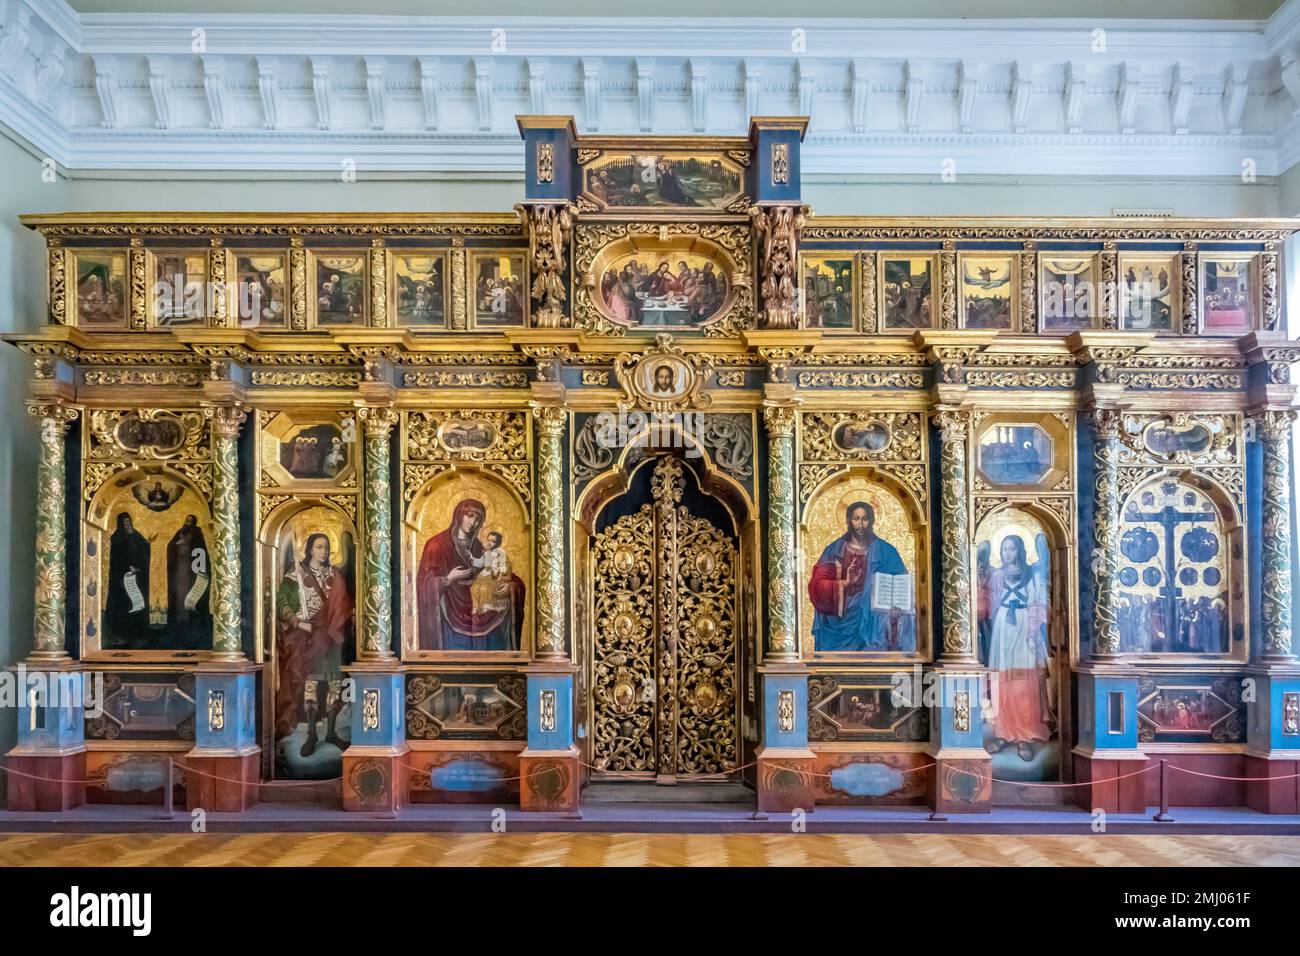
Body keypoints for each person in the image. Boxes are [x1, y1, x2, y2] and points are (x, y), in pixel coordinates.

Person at [275, 533, 354, 758]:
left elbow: (344, 604)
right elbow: (281, 602)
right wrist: (297, 621)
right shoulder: (295, 576)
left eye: (327, 547)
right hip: (308, 638)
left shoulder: (334, 575)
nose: (324, 551)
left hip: (332, 638)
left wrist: (346, 615)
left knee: (334, 687)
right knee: (311, 686)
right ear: (309, 549)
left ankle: (330, 732)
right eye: (319, 547)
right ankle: (311, 734)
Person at [978, 534, 1051, 762]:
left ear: (1020, 550)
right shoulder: (997, 576)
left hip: (1024, 627)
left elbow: (1039, 604)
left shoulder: (1033, 575)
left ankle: (1024, 736)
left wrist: (1031, 633)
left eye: (1011, 548)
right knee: (1003, 682)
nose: (1008, 553)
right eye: (1004, 549)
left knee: (1023, 683)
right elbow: (986, 605)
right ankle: (1004, 732)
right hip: (1002, 628)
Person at [416, 499, 525, 651]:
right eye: (469, 515)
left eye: (478, 519)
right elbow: (424, 584)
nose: (472, 522)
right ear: (458, 516)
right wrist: (448, 579)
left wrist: (511, 587)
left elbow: (498, 570)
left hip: (480, 604)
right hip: (450, 613)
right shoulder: (436, 545)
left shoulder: (477, 545)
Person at [808, 501, 915, 652]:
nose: (860, 524)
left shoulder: (887, 551)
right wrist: (844, 583)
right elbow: (817, 585)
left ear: (872, 521)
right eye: (856, 518)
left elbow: (902, 584)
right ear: (848, 520)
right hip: (840, 624)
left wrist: (896, 608)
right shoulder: (834, 550)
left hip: (874, 621)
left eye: (865, 519)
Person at [105, 512, 152, 647]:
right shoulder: (117, 538)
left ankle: (136, 634)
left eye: (129, 522)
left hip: (135, 578)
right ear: (121, 524)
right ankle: (121, 634)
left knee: (136, 604)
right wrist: (127, 566)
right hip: (121, 581)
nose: (128, 525)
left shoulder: (135, 534)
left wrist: (147, 544)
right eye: (125, 523)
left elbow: (143, 547)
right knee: (124, 606)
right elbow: (117, 559)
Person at [165, 514, 210, 649]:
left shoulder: (197, 533)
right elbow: (170, 546)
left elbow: (201, 553)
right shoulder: (179, 532)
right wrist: (176, 546)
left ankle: (193, 632)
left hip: (191, 574)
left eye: (190, 521)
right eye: (186, 520)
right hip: (179, 573)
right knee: (178, 601)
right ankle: (178, 630)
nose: (187, 523)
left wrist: (187, 546)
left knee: (191, 600)